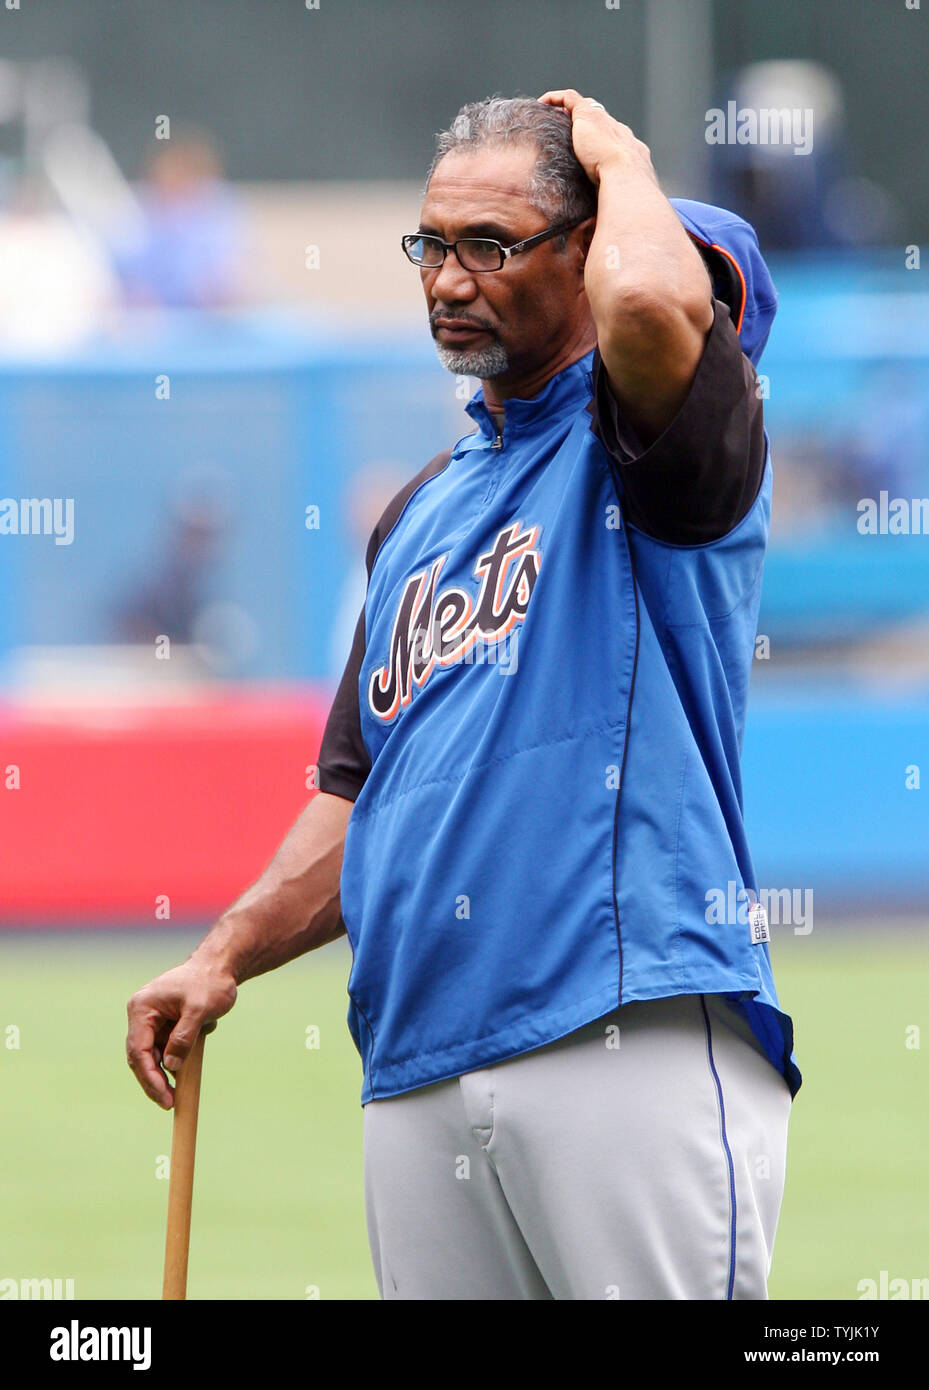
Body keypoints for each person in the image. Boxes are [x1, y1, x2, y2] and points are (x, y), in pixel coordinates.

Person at [127, 90, 801, 1301]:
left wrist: (617, 154)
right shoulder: (418, 518)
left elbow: (649, 303)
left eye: (490, 246)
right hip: (419, 1058)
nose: (447, 278)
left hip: (619, 1019)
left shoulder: (657, 433)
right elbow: (364, 794)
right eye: (432, 244)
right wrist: (224, 949)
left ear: (591, 256)